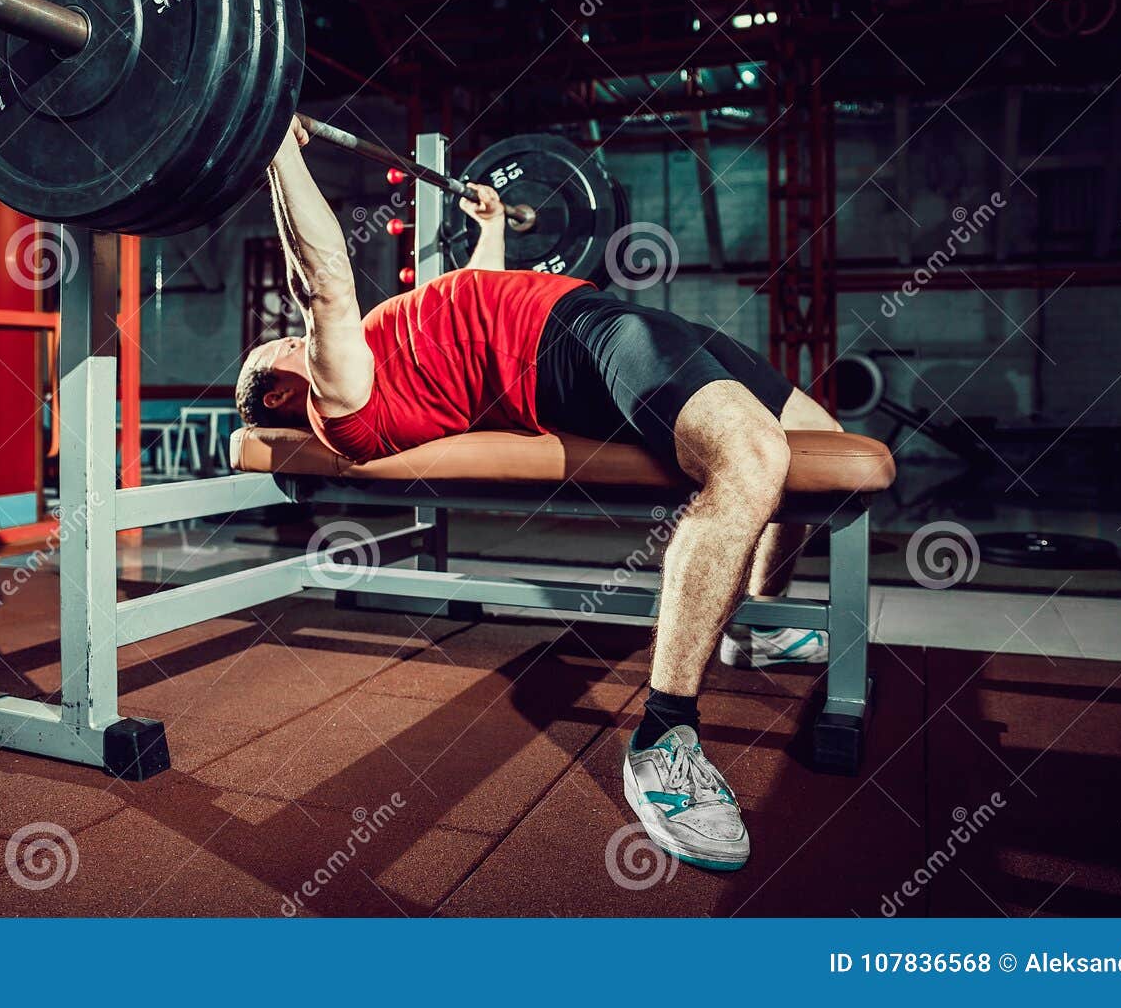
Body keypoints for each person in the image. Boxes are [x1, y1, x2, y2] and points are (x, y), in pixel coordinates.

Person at [237, 116, 843, 870]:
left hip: (590, 311)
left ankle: (752, 624)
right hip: (563, 346)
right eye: (286, 345)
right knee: (750, 457)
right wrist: (273, 150)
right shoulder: (339, 398)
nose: (298, 338)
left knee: (825, 443)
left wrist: (486, 227)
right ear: (286, 385)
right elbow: (322, 278)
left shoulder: (387, 349)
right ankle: (663, 734)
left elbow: (470, 299)